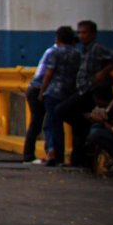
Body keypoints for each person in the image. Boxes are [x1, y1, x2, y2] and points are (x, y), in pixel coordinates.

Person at [55, 20, 113, 167]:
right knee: (78, 128)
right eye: (79, 32)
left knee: (60, 110)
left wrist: (104, 72)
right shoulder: (83, 50)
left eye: (84, 32)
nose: (81, 36)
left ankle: (85, 123)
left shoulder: (97, 48)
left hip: (89, 91)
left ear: (93, 34)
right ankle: (77, 161)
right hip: (81, 90)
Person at [39, 25, 80, 166]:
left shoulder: (55, 53)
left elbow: (49, 74)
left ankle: (52, 152)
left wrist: (41, 91)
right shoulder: (77, 54)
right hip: (69, 93)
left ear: (58, 38)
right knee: (63, 124)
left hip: (53, 93)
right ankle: (63, 156)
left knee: (51, 124)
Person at [22, 31, 64, 163]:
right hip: (39, 90)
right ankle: (31, 155)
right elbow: (48, 74)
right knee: (40, 123)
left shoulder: (51, 51)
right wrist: (42, 92)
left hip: (36, 88)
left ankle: (33, 154)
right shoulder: (56, 53)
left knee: (38, 123)